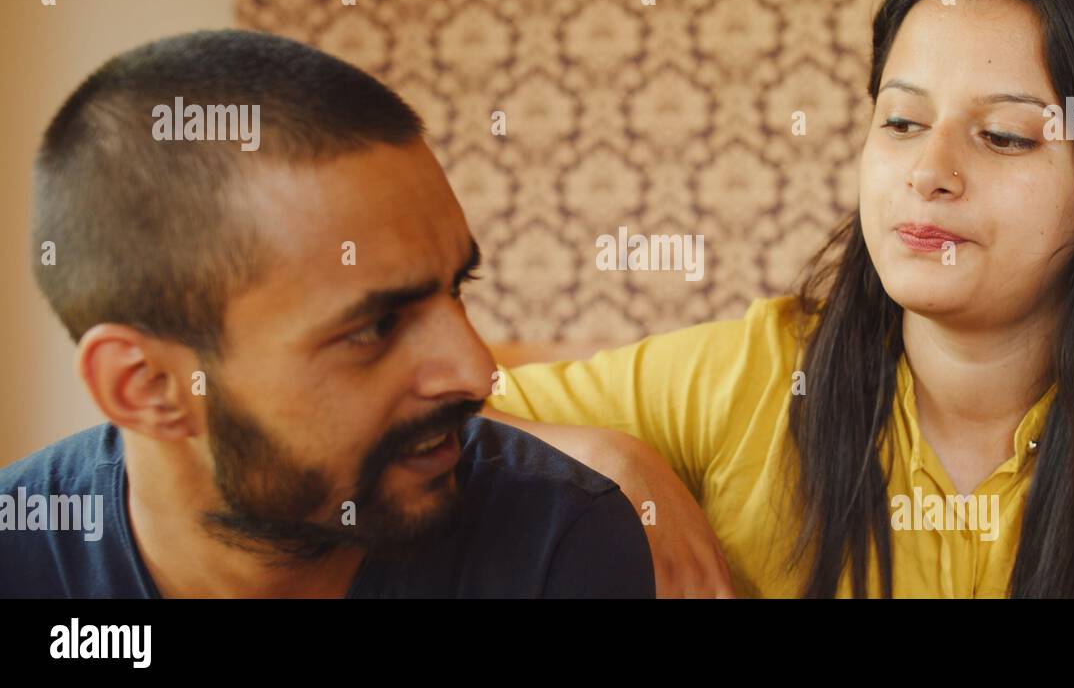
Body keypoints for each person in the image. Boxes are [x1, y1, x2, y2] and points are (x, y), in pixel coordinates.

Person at [486, 0, 1074, 598]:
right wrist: (610, 458)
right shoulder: (753, 379)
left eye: (1005, 136)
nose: (929, 173)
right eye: (902, 122)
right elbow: (432, 413)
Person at [0, 30, 654, 599]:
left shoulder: (556, 546)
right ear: (145, 386)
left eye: (458, 285)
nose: (478, 372)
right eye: (375, 326)